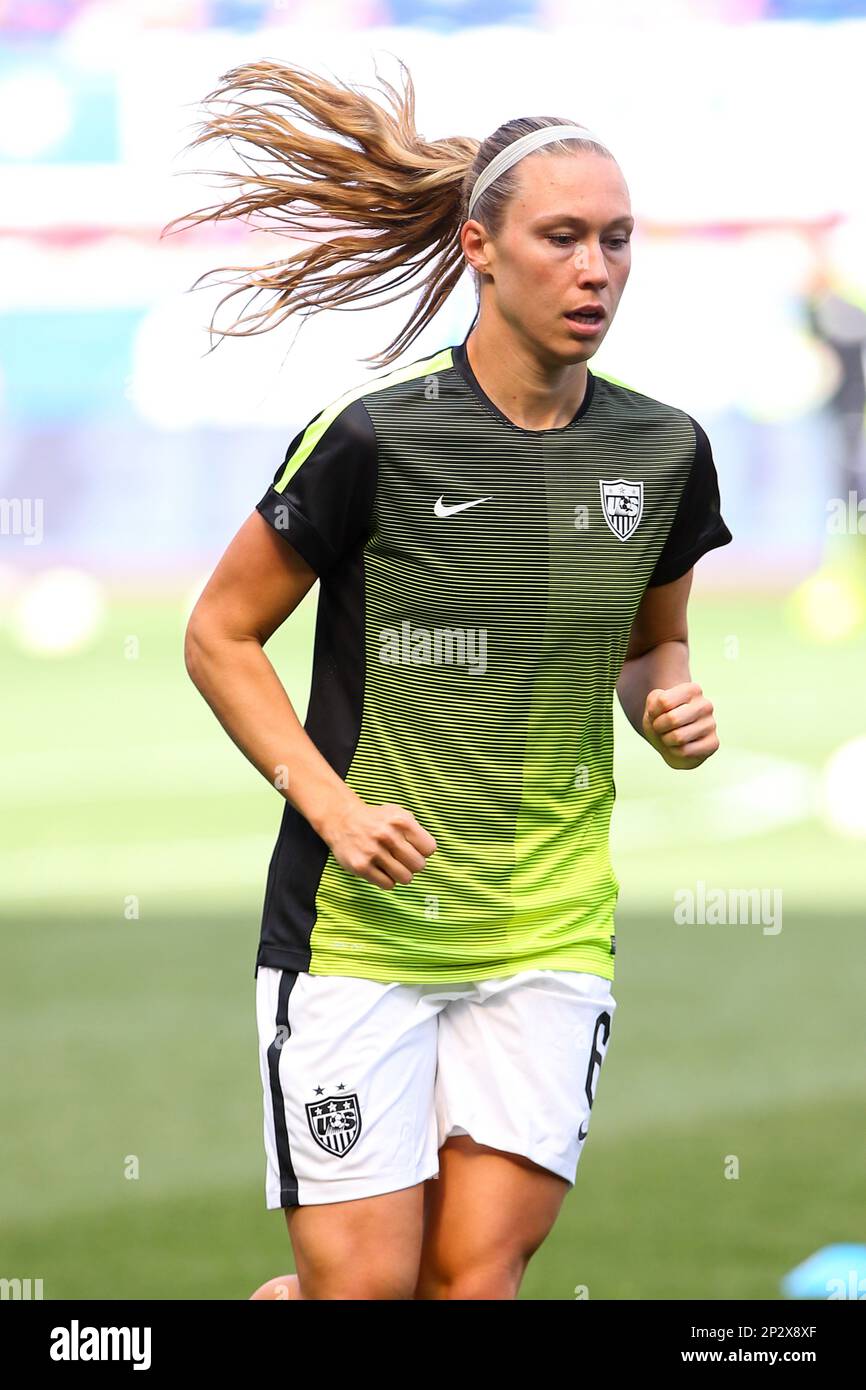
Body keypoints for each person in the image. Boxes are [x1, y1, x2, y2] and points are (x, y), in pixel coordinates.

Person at [174, 56, 733, 1301]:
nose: (596, 269)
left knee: (472, 1282)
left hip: (545, 922)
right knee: (360, 1295)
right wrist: (333, 807)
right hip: (354, 935)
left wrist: (666, 704)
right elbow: (219, 634)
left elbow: (651, 643)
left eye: (617, 241)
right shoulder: (372, 435)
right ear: (480, 248)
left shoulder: (665, 446)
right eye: (562, 238)